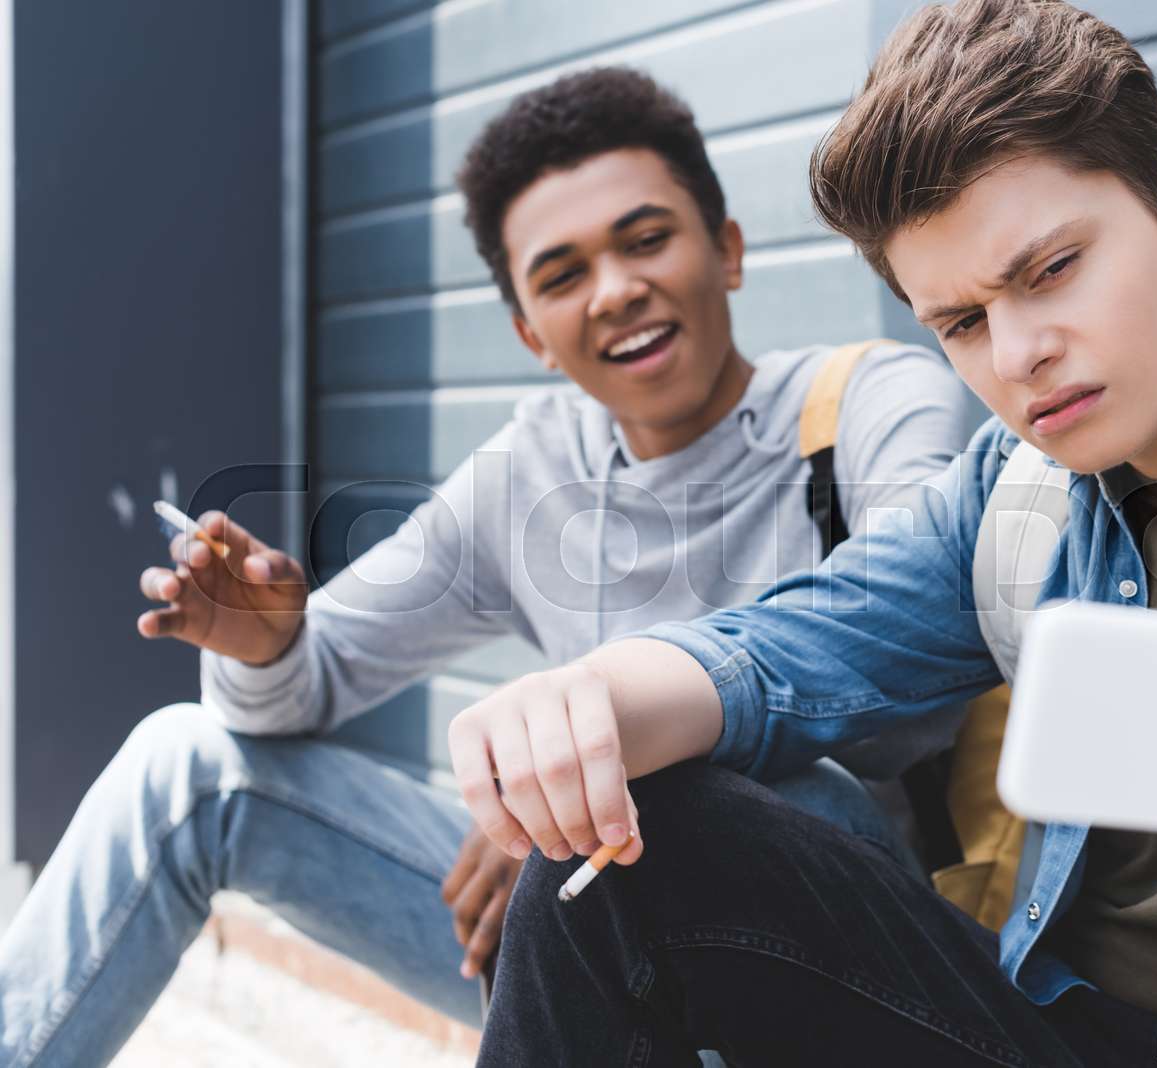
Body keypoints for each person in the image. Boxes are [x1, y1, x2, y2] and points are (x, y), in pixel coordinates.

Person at [456, 3, 1157, 1065]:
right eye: (960, 320)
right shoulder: (1016, 484)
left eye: (1051, 270)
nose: (1016, 356)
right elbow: (785, 654)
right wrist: (584, 708)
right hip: (1054, 1040)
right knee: (614, 847)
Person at [0, 67, 973, 1068]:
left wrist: (577, 804)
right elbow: (297, 694)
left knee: (782, 794)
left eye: (646, 240)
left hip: (844, 960)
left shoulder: (867, 405)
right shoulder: (529, 473)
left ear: (725, 251)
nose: (616, 290)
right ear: (527, 334)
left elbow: (921, 644)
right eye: (561, 275)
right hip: (588, 915)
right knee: (186, 761)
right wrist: (265, 648)